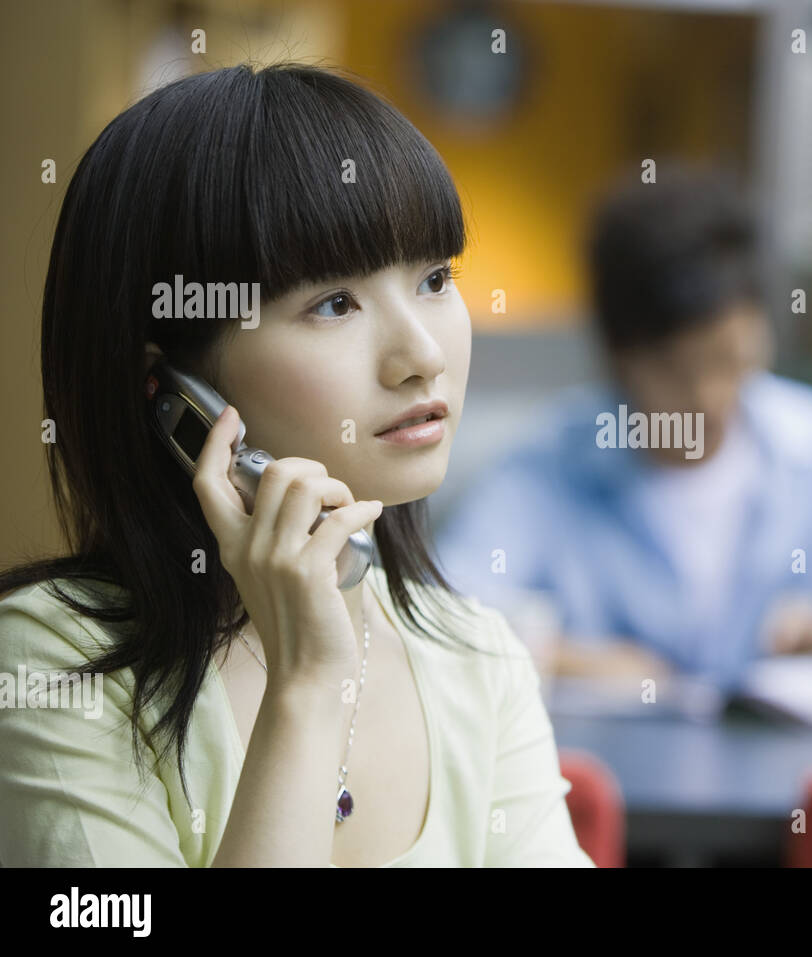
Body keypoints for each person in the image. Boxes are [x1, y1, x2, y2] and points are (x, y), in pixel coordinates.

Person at [0, 63, 593, 867]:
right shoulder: (52, 663)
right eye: (332, 304)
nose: (422, 355)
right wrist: (306, 687)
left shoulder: (472, 655)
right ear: (170, 389)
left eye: (434, 278)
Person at [435, 168, 812, 692]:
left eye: (731, 363)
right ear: (617, 360)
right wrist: (573, 661)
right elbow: (447, 620)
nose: (708, 399)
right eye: (677, 374)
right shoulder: (549, 464)